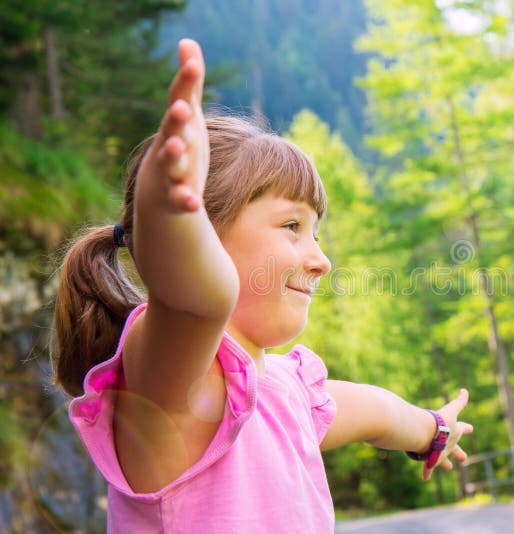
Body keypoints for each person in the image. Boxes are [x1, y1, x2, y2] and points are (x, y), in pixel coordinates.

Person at [51, 39, 473, 532]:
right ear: (204, 234)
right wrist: (167, 206)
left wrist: (431, 429)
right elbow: (195, 297)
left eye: (315, 232)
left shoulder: (287, 392)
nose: (322, 260)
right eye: (291, 226)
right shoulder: (170, 385)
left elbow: (378, 411)